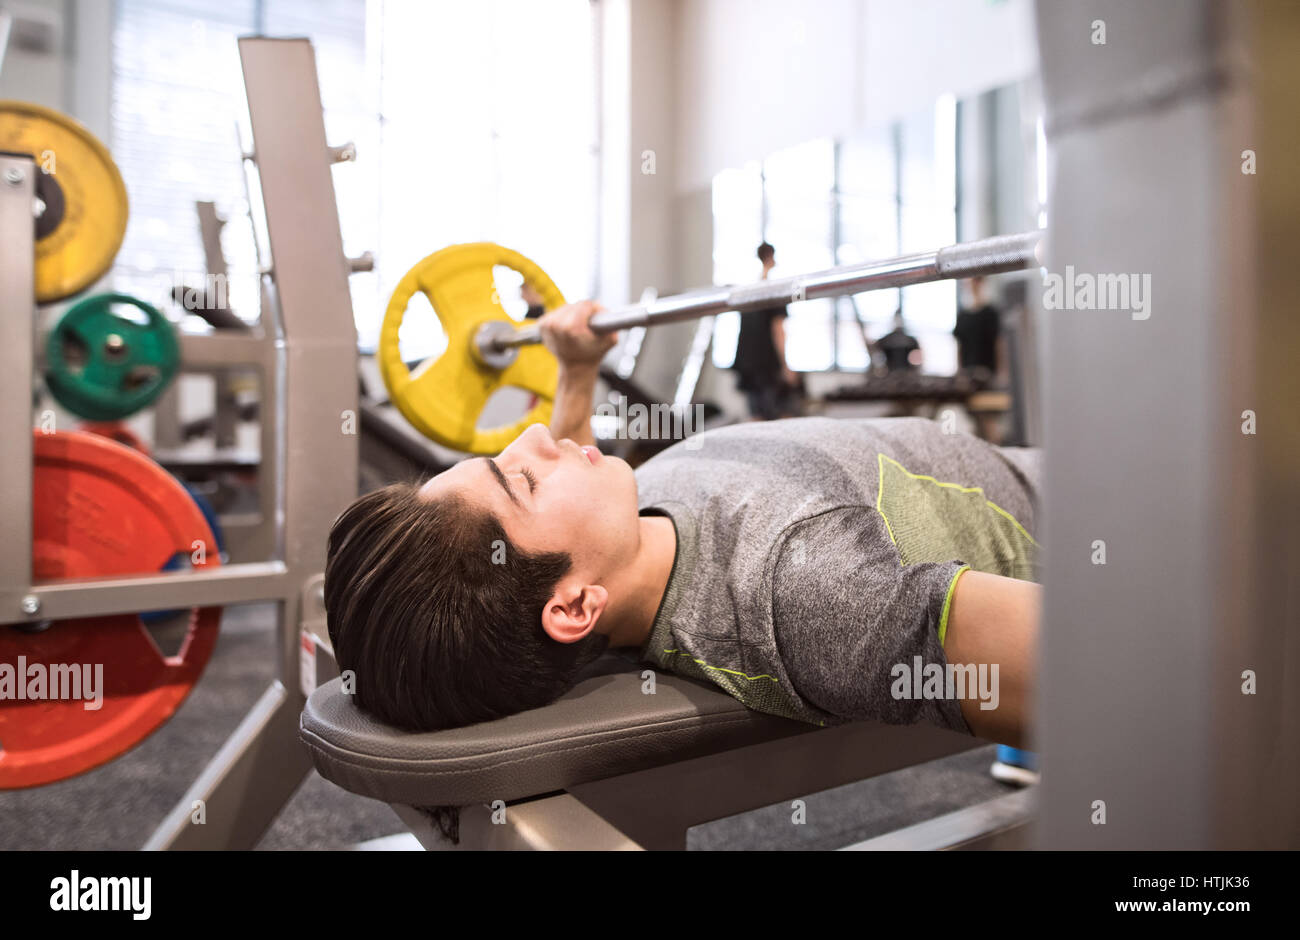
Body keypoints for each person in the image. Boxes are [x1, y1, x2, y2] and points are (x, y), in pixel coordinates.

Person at [324, 302, 1042, 749]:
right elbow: (1090, 676)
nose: (535, 437)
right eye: (521, 477)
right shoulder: (799, 594)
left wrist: (575, 373)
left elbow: (546, 550)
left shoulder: (612, 531)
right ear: (575, 607)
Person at [731, 242, 798, 420]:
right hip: (766, 364)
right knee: (780, 416)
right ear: (770, 257)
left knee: (756, 416)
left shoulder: (746, 291)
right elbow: (778, 330)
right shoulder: (774, 292)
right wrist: (786, 365)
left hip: (747, 361)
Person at [952, 275, 1001, 379]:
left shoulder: (990, 313)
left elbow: (998, 343)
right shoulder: (962, 315)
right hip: (967, 373)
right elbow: (959, 345)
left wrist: (1001, 372)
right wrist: (959, 371)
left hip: (987, 372)